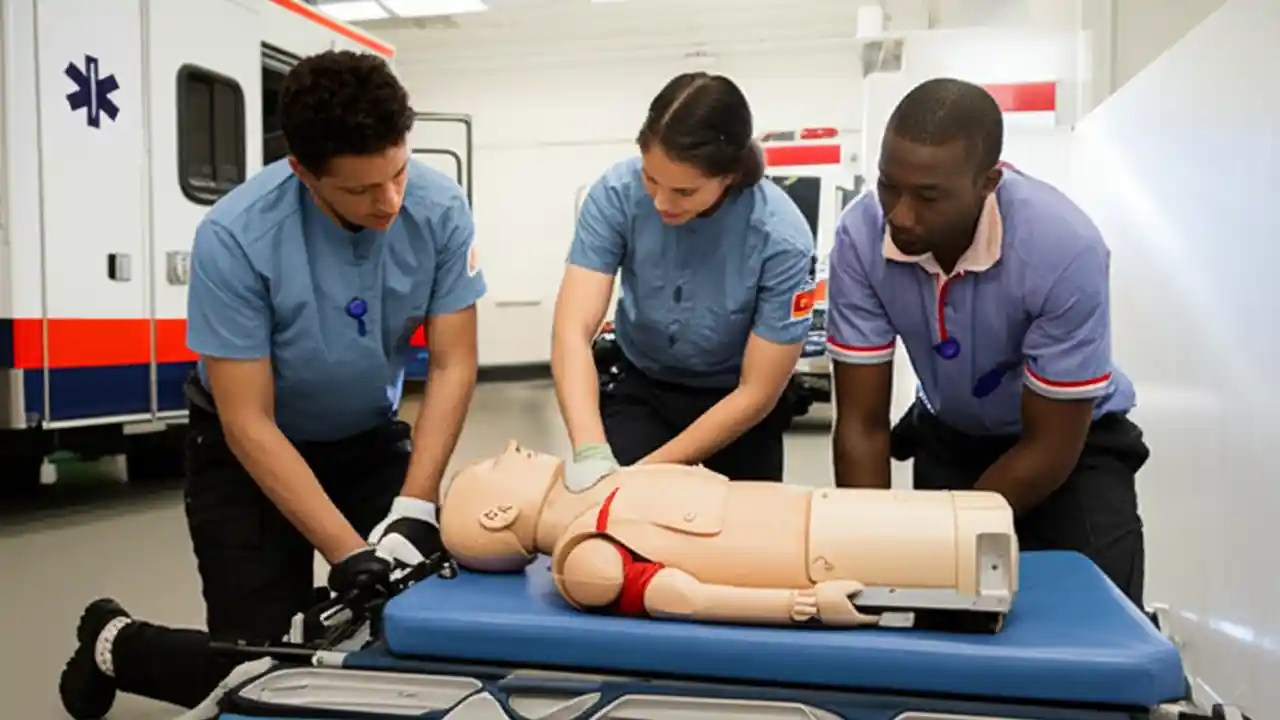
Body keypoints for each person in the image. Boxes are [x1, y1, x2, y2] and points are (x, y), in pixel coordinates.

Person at [58, 50, 486, 717]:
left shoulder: (441, 208)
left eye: (399, 172)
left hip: (370, 439)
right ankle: (115, 642)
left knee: (416, 641)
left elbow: (456, 362)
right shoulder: (235, 236)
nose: (390, 201)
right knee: (262, 676)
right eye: (360, 189)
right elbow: (247, 419)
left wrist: (417, 507)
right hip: (247, 454)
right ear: (303, 174)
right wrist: (346, 553)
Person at [826, 77, 1149, 606]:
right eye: (888, 186)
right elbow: (861, 424)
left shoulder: (1063, 247)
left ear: (987, 182)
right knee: (938, 621)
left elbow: (1049, 446)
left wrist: (943, 540)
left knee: (1090, 622)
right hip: (951, 438)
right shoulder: (860, 236)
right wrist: (874, 548)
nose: (900, 216)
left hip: (1070, 448)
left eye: (929, 196)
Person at [551, 72, 818, 491]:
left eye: (684, 191)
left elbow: (758, 391)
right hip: (642, 387)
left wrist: (641, 476)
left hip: (736, 407)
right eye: (651, 179)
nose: (661, 202)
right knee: (617, 529)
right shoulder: (615, 195)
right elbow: (572, 329)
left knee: (741, 541)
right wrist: (591, 453)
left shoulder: (782, 239)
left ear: (728, 176)